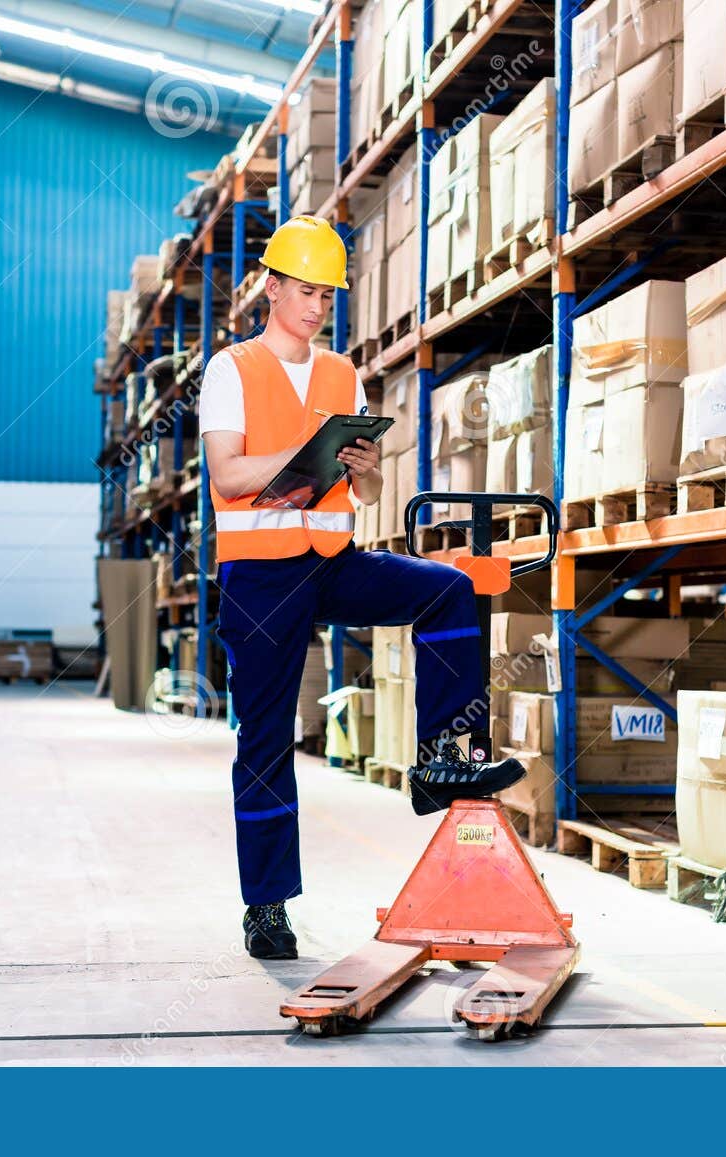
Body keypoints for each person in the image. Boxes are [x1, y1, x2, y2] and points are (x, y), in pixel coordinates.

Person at [198, 215, 527, 961]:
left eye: (327, 294)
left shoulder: (342, 374)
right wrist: (295, 460)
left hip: (334, 559)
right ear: (272, 287)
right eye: (305, 290)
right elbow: (227, 474)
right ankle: (267, 906)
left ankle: (443, 749)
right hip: (260, 579)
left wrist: (361, 465)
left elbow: (368, 491)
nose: (316, 306)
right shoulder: (233, 369)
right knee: (265, 742)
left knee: (443, 590)